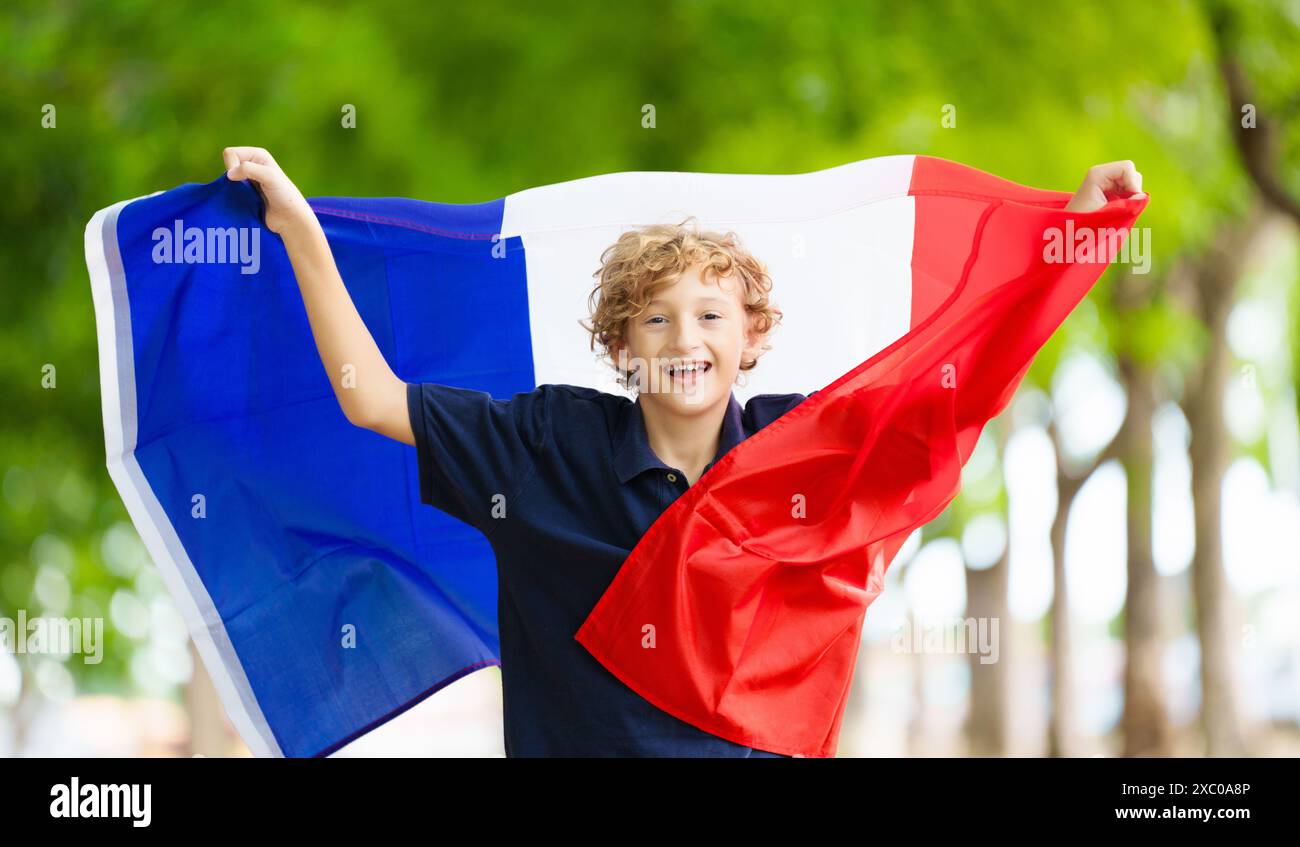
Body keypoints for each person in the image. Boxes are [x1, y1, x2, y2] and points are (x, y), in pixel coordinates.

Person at [219, 146, 1142, 756]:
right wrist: (301, 227)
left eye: (709, 315)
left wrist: (1070, 238)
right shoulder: (546, 445)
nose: (681, 338)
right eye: (653, 319)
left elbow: (952, 390)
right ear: (621, 347)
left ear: (752, 338)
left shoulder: (802, 445)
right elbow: (369, 396)